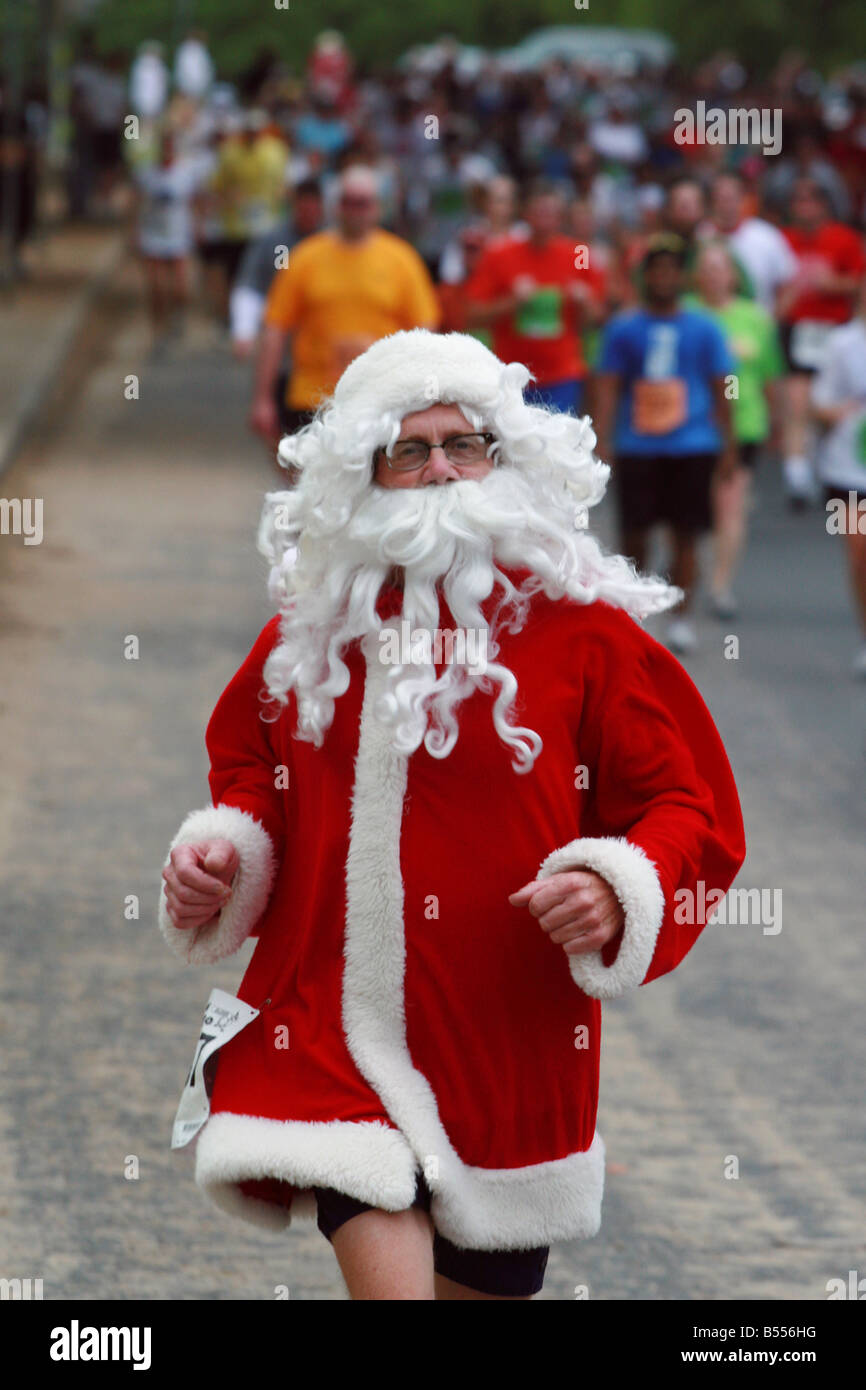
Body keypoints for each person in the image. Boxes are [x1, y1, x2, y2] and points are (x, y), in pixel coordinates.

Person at [157, 328, 745, 1302]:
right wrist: (224, 851)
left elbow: (688, 804)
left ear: (503, 458)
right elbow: (254, 768)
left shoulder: (585, 631)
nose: (438, 470)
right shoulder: (307, 630)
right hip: (328, 1023)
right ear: (365, 473)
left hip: (505, 1037)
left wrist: (616, 884)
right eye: (408, 449)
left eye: (462, 444)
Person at [593, 234, 738, 654]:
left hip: (692, 443)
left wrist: (729, 443)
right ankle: (636, 610)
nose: (663, 277)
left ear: (682, 278)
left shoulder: (705, 328)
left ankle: (680, 617)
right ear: (645, 277)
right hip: (639, 444)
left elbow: (724, 382)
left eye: (672, 270)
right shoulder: (624, 328)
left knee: (686, 533)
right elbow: (608, 386)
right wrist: (603, 441)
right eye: (656, 270)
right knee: (635, 533)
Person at [250, 165, 439, 448]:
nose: (355, 210)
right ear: (336, 206)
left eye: (362, 203)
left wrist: (425, 396)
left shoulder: (402, 259)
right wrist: (263, 398)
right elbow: (275, 328)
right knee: (307, 483)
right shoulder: (304, 257)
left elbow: (425, 333)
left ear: (377, 207)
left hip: (380, 397)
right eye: (348, 202)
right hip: (313, 395)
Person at [690, 242, 785, 617]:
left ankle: (719, 585)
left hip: (743, 423)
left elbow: (769, 376)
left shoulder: (756, 319)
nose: (714, 275)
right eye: (707, 268)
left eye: (721, 268)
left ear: (733, 276)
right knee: (699, 508)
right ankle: (694, 573)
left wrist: (776, 421)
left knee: (730, 505)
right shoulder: (686, 313)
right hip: (693, 423)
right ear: (697, 276)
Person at [465, 180, 602, 415]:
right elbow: (472, 315)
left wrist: (583, 301)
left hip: (563, 375)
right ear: (525, 214)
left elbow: (598, 317)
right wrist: (511, 302)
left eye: (551, 213)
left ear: (562, 217)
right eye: (539, 212)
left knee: (558, 443)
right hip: (511, 375)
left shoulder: (578, 253)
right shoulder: (499, 254)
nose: (545, 219)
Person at [777, 178, 866, 508]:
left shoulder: (844, 240)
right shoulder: (783, 239)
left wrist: (833, 283)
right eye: (798, 202)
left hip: (835, 331)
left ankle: (831, 465)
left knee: (833, 404)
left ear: (824, 207)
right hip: (798, 329)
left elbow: (859, 282)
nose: (804, 208)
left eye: (810, 201)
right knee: (797, 399)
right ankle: (797, 474)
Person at [810, 276, 866, 677]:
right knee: (860, 557)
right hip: (850, 469)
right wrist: (841, 414)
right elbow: (821, 405)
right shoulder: (843, 343)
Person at [229, 178, 324, 360]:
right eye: (304, 209)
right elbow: (250, 283)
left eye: (313, 209)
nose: (309, 215)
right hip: (281, 325)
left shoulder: (331, 241)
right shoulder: (276, 242)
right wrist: (244, 329)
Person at [133, 129, 201, 345]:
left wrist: (198, 227)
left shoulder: (186, 173)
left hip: (178, 234)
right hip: (152, 234)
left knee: (180, 287)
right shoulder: (146, 174)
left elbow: (196, 201)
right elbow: (134, 203)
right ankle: (157, 327)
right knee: (157, 287)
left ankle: (177, 317)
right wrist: (133, 232)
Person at [708, 171, 798, 313]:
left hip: (758, 325)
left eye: (731, 198)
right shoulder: (701, 235)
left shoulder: (767, 236)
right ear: (711, 203)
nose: (726, 205)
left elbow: (789, 286)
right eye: (720, 199)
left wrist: (771, 323)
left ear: (743, 200)